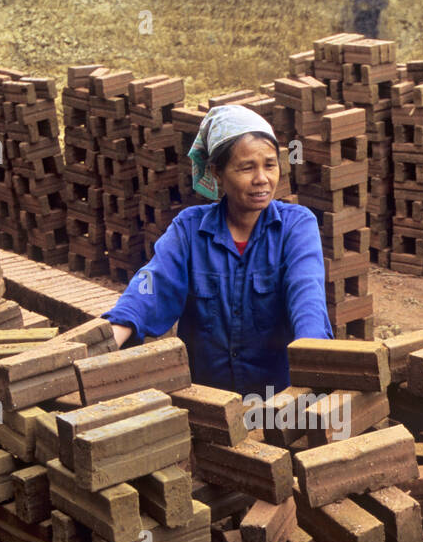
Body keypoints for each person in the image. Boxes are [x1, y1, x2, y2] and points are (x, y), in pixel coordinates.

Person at [102, 104, 332, 396]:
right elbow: (153, 282)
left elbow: (307, 295)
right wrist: (114, 331)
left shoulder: (296, 227)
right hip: (207, 400)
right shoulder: (189, 229)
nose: (262, 178)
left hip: (278, 401)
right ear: (217, 172)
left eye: (270, 165)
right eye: (247, 167)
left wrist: (314, 363)